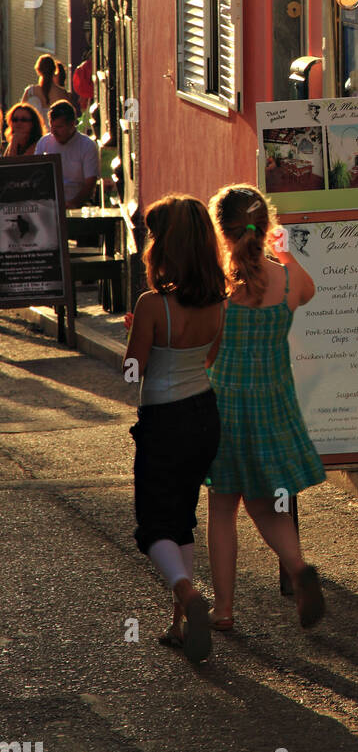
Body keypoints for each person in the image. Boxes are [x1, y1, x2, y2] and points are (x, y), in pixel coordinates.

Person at [206, 184, 326, 632]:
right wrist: (286, 254)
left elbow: (206, 351)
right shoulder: (288, 280)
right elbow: (310, 290)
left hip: (224, 407)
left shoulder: (216, 287)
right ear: (267, 225)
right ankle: (296, 567)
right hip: (274, 405)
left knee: (222, 508)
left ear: (222, 230)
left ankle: (224, 609)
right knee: (264, 503)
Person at [124, 196, 226, 662]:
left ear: (164, 247)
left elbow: (132, 374)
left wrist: (133, 337)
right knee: (183, 515)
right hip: (204, 415)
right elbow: (207, 359)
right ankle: (179, 626)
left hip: (163, 419)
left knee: (154, 525)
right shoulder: (219, 303)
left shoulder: (151, 304)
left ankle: (188, 593)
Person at [34, 101, 99, 207]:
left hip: (78, 205)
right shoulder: (44, 142)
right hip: (48, 205)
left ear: (72, 124)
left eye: (59, 127)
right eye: (52, 127)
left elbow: (90, 183)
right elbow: (35, 176)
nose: (54, 132)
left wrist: (72, 204)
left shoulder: (87, 145)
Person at [20, 54, 68, 125]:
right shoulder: (62, 93)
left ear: (38, 71)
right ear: (55, 70)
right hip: (55, 134)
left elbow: (21, 114)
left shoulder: (30, 92)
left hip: (34, 134)